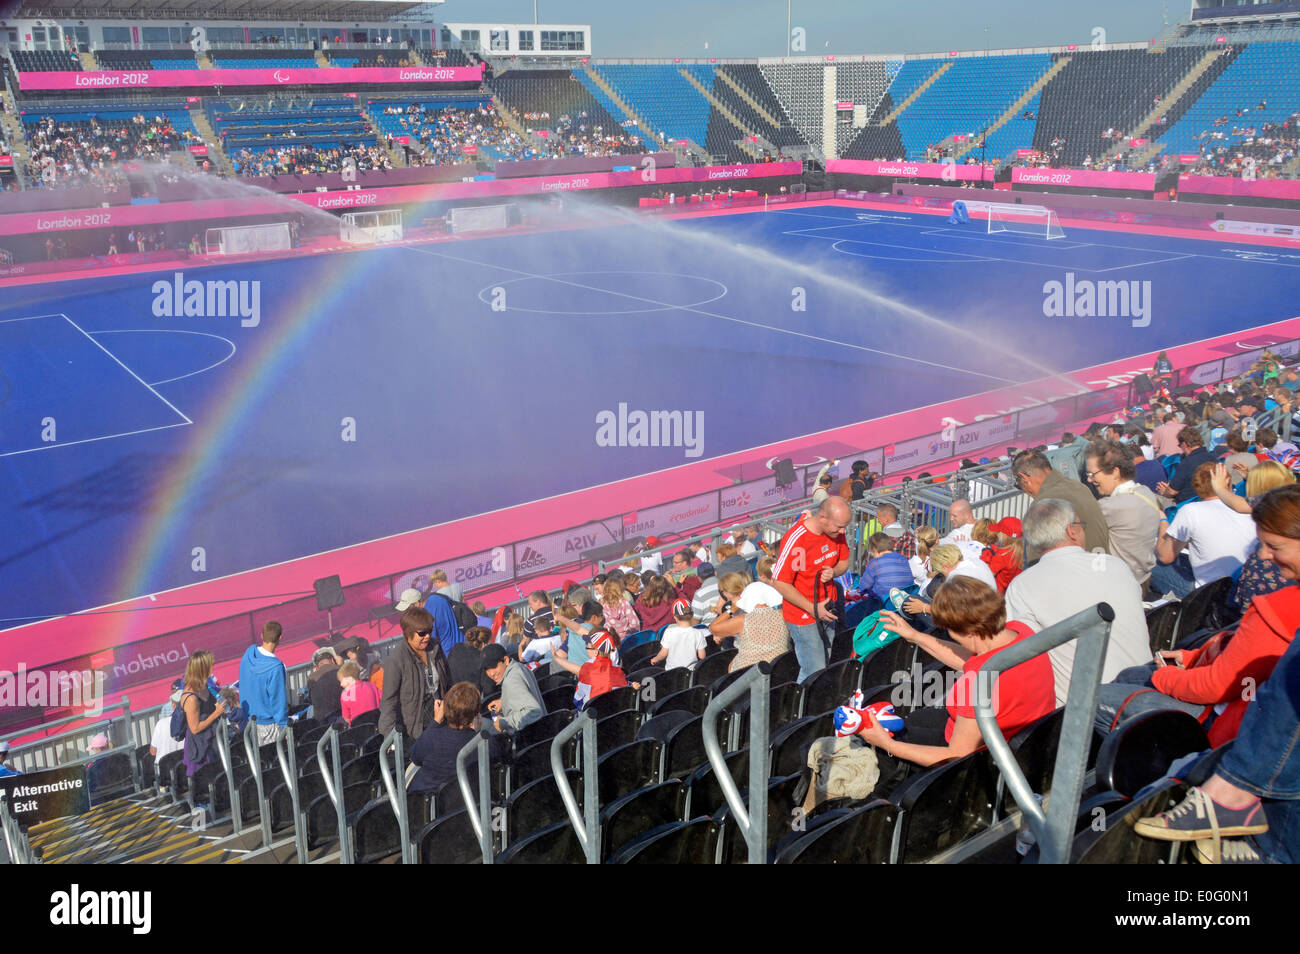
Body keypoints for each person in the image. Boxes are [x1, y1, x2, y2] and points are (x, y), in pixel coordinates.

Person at [1096, 483, 1300, 740]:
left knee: (1095, 700)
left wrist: (1165, 677)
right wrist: (1196, 657)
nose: (1264, 555)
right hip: (1250, 704)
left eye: (1274, 546)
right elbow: (1247, 660)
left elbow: (1216, 686)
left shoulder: (1275, 611)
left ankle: (1159, 771)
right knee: (1130, 675)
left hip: (1227, 721)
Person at [854, 577, 1056, 767]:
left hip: (984, 761)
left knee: (888, 742)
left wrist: (887, 745)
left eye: (949, 629)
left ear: (967, 631)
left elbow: (957, 755)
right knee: (915, 720)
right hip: (1023, 746)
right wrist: (915, 636)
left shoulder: (979, 683)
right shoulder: (1022, 633)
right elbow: (974, 659)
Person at [1004, 498, 1151, 706]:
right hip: (1145, 692)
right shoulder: (1114, 565)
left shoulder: (1022, 586)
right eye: (1081, 525)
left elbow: (1017, 653)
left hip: (1085, 712)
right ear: (1072, 531)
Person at [772, 497, 851, 681]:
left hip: (828, 608)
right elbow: (779, 582)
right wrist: (813, 608)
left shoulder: (836, 532)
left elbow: (844, 563)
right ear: (822, 517)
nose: (842, 531)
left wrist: (834, 571)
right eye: (839, 526)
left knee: (824, 662)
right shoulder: (797, 538)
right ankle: (803, 707)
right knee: (814, 669)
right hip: (803, 615)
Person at [1153, 462, 1257, 599]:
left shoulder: (1191, 511)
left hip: (1211, 594)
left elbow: (1166, 556)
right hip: (1244, 586)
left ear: (1196, 488)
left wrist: (1163, 520)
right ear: (1229, 483)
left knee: (1149, 561)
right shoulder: (1247, 507)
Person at [1210, 460, 1295, 607]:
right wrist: (1250, 476)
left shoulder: (1278, 499)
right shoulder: (1293, 498)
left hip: (1263, 600)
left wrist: (1219, 488)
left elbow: (1239, 504)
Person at [1085, 440, 1162, 587]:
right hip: (1144, 578)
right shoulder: (1145, 492)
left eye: (1092, 474)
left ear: (1115, 472)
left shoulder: (1109, 507)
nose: (1089, 479)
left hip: (1122, 584)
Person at [408, 682, 503, 795]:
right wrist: (475, 732)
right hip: (465, 806)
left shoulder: (431, 737)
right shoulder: (486, 744)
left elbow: (415, 757)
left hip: (426, 804)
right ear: (476, 714)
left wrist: (436, 721)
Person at [378, 606, 453, 746]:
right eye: (422, 633)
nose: (428, 636)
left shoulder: (435, 647)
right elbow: (388, 701)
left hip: (443, 717)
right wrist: (389, 735)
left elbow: (448, 681)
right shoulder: (396, 660)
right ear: (408, 633)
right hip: (417, 727)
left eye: (430, 631)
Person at [1012, 449, 1110, 555]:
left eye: (1019, 485)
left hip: (1078, 568)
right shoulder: (1078, 486)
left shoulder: (1043, 505)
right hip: (1103, 564)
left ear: (1024, 478)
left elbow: (1036, 559)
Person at [238, 620, 288, 744]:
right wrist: (284, 726)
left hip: (249, 722)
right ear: (280, 637)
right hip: (268, 725)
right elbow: (278, 700)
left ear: (262, 635)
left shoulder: (248, 653)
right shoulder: (276, 668)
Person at [179, 650, 227, 780]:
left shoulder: (203, 686)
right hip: (200, 750)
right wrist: (216, 713)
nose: (212, 669)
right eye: (209, 666)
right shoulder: (191, 698)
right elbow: (195, 728)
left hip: (212, 743)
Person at [553, 629, 628, 709]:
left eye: (587, 647)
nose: (586, 650)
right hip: (617, 710)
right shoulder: (618, 669)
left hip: (596, 715)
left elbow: (578, 700)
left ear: (596, 652)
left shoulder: (587, 670)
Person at [727, 581, 791, 671]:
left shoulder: (742, 620)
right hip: (781, 667)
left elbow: (713, 628)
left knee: (731, 664)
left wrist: (731, 610)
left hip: (749, 673)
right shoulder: (781, 613)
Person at [482, 644, 545, 733]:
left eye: (494, 666)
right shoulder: (519, 666)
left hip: (530, 738)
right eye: (487, 669)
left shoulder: (510, 681)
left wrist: (503, 722)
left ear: (506, 660)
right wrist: (504, 701)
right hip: (540, 732)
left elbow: (535, 712)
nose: (491, 673)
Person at [395, 586, 463, 655]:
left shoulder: (425, 617)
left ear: (417, 604)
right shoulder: (438, 598)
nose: (407, 612)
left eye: (408, 609)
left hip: (449, 655)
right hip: (463, 645)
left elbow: (428, 643)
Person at [1156, 427, 1215, 504]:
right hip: (1212, 499)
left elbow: (1172, 492)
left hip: (1189, 503)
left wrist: (1165, 491)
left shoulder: (1186, 463)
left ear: (1184, 444)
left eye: (1179, 445)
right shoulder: (1213, 459)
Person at [860, 532, 916, 611]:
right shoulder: (903, 559)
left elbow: (863, 587)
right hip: (904, 603)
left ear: (874, 549)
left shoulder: (875, 562)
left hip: (883, 605)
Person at [650, 599, 708, 670]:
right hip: (690, 672)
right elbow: (702, 656)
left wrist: (656, 659)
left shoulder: (669, 632)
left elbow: (664, 653)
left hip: (672, 672)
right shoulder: (698, 633)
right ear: (692, 615)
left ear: (675, 617)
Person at [972, 517, 1024, 592]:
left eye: (999, 531)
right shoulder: (1019, 550)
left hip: (996, 592)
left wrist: (986, 555)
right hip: (1011, 589)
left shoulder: (1002, 555)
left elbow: (987, 573)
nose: (996, 533)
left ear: (1004, 535)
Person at [448, 625, 493, 694]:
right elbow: (488, 688)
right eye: (490, 642)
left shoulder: (456, 649)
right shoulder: (482, 661)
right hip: (471, 699)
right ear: (484, 644)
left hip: (452, 694)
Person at [149, 681, 185, 761]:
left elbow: (153, 751)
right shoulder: (190, 723)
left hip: (164, 769)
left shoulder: (160, 724)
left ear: (173, 705)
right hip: (181, 767)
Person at [338, 661, 382, 726]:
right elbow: (383, 700)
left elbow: (347, 718)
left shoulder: (345, 695)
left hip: (358, 730)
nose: (340, 684)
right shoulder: (372, 685)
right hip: (376, 724)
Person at [307, 648, 344, 723]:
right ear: (333, 660)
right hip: (342, 716)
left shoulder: (311, 677)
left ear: (317, 667)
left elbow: (311, 700)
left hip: (322, 722)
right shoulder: (341, 670)